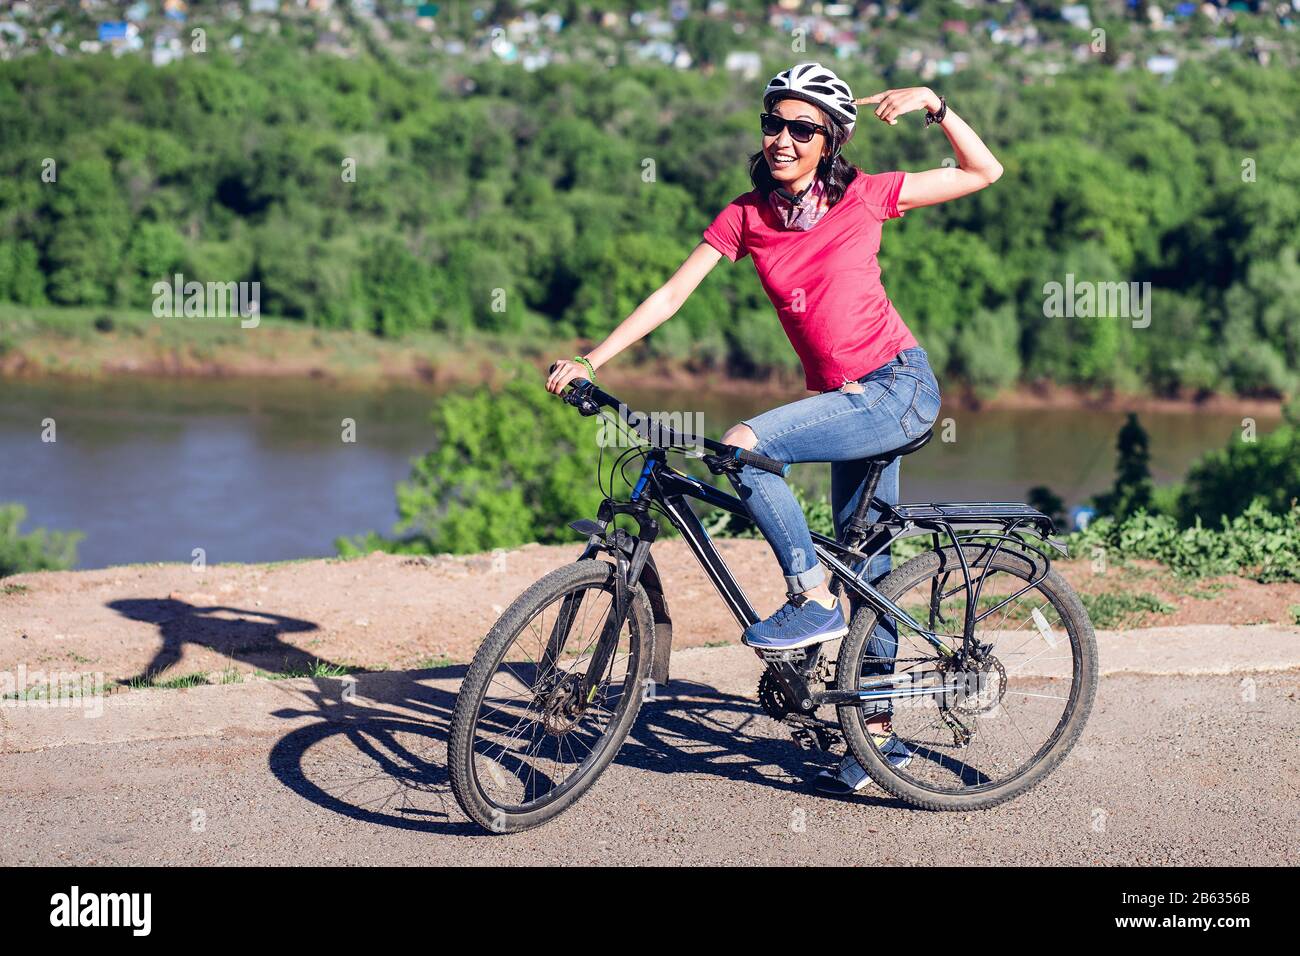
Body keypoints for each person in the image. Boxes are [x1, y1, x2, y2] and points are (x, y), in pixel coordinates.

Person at [546, 62, 1004, 794]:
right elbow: (672, 293)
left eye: (802, 128)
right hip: (845, 402)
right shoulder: (747, 215)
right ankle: (875, 735)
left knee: (744, 446)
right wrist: (592, 358)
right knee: (869, 558)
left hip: (897, 388)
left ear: (831, 139)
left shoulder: (865, 194)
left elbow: (984, 170)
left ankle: (808, 598)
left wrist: (936, 105)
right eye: (773, 124)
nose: (783, 139)